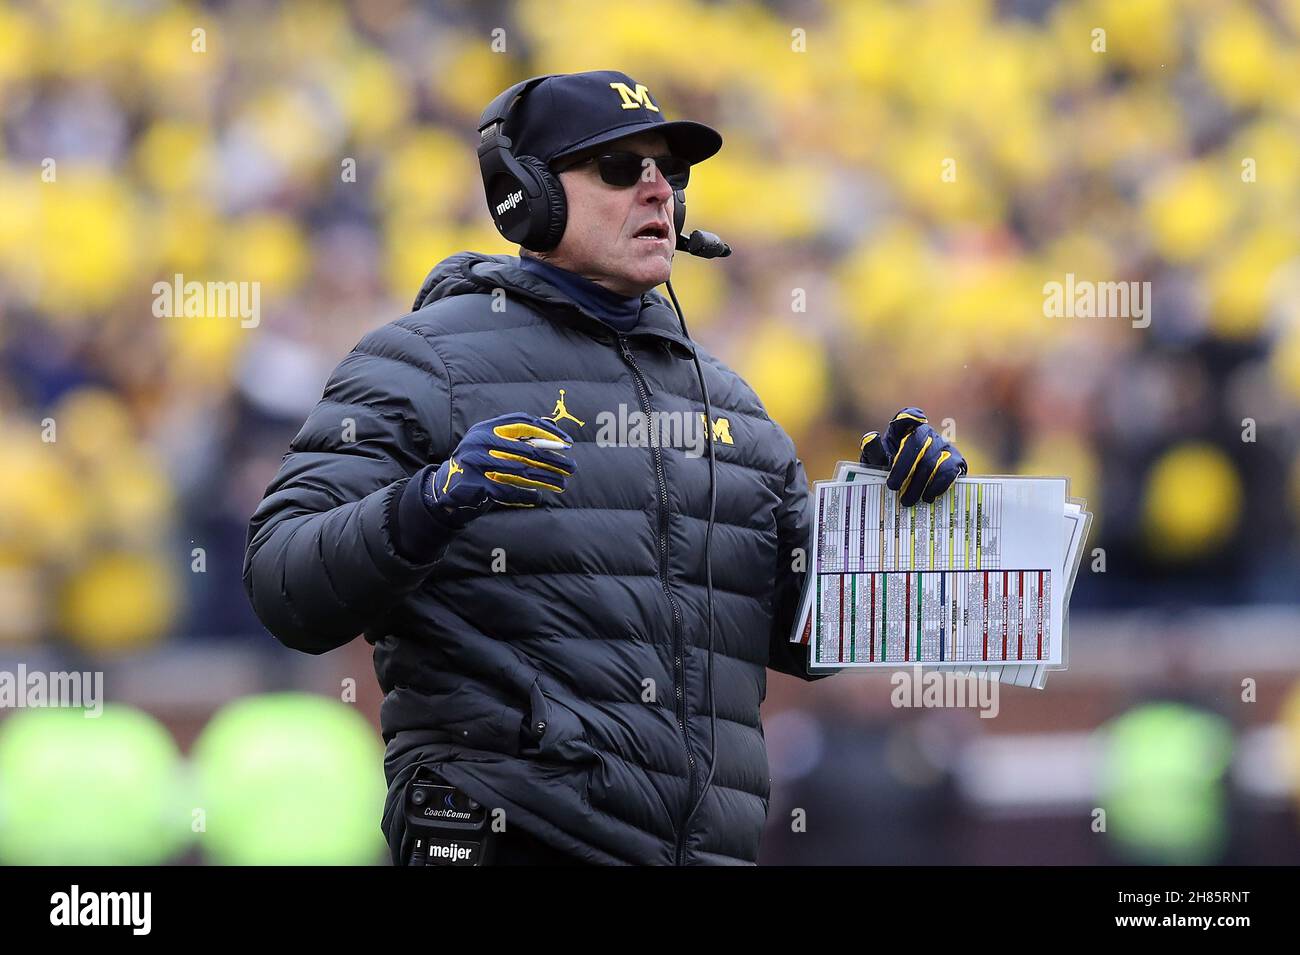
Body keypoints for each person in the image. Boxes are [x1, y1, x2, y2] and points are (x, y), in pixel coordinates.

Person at [242, 70, 966, 866]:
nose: (658, 190)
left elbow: (813, 632)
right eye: (619, 169)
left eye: (672, 171)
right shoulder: (422, 362)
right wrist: (428, 500)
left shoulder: (728, 402)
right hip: (516, 836)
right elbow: (285, 584)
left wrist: (894, 519)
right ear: (531, 196)